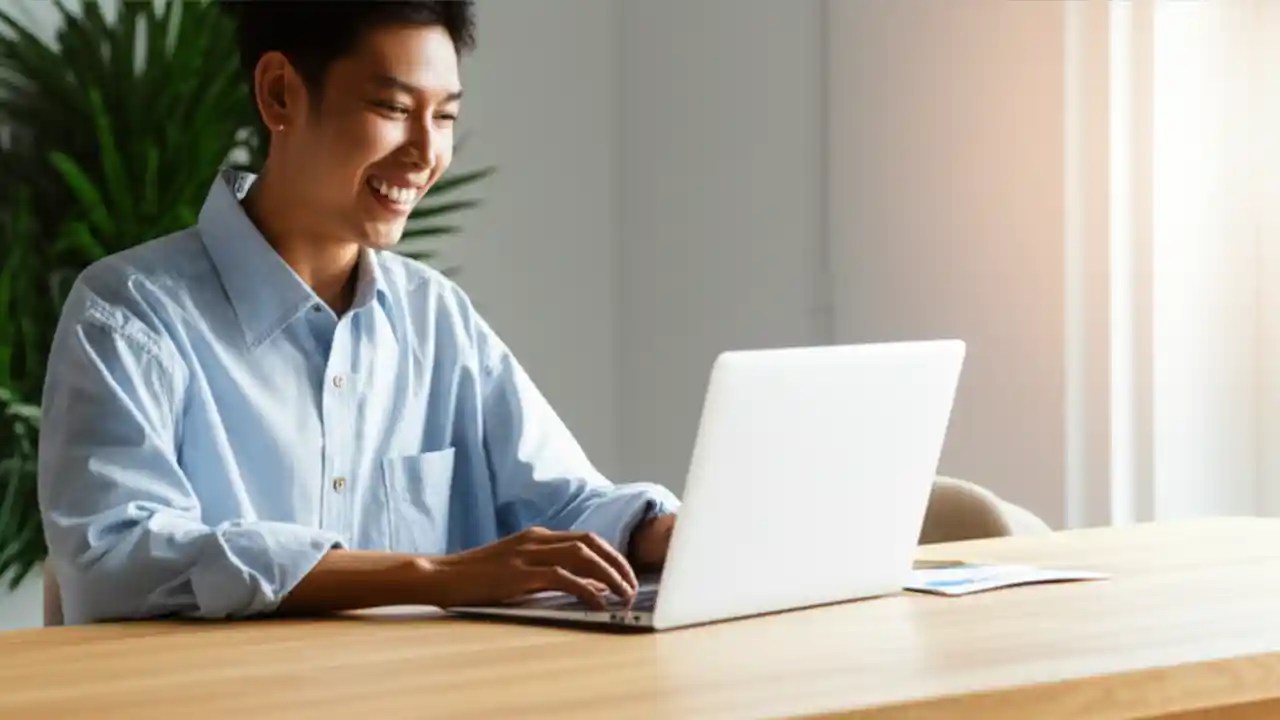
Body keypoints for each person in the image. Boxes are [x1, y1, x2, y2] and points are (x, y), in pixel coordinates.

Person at [37, 0, 679, 625]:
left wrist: (671, 535)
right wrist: (437, 576)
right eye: (394, 108)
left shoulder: (434, 317)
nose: (426, 153)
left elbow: (567, 506)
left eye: (446, 116)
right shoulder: (129, 315)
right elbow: (115, 557)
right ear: (280, 93)